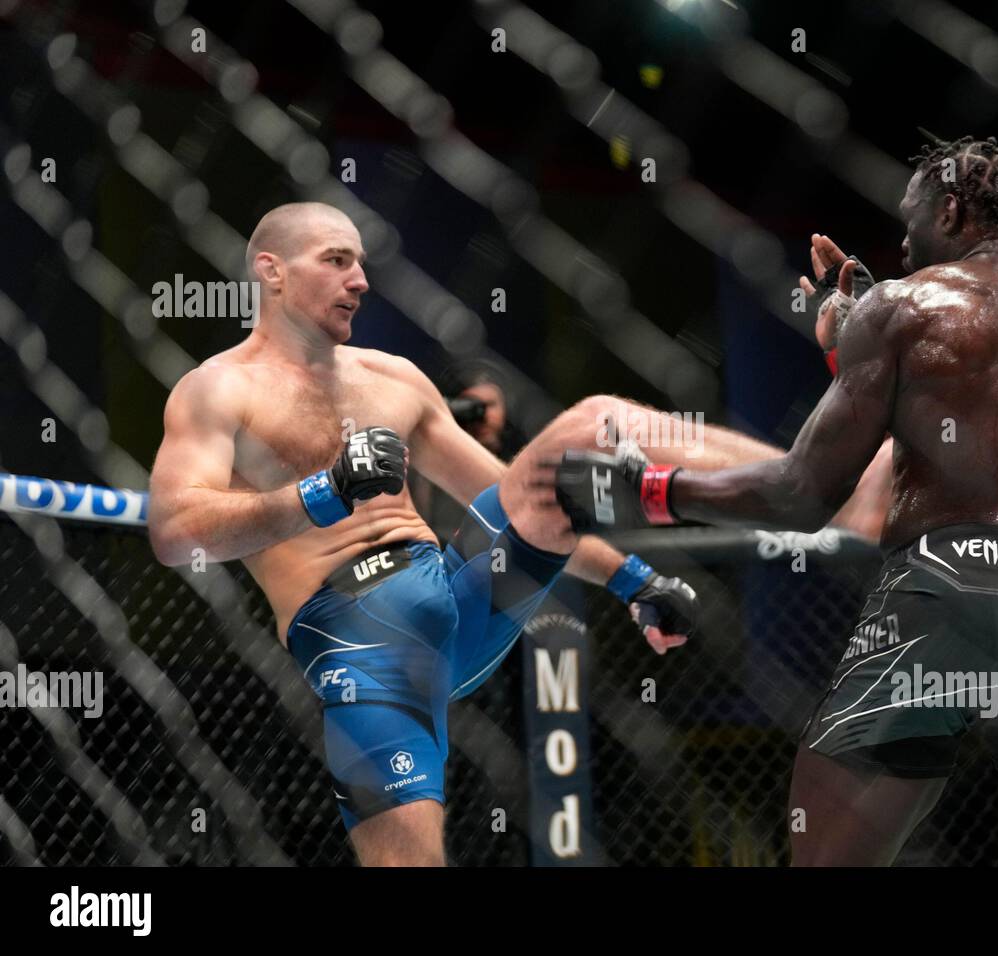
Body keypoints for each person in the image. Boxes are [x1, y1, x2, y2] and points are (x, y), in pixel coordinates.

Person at [553, 136, 998, 866]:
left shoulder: (904, 305)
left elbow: (801, 494)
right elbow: (985, 445)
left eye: (911, 218)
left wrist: (646, 489)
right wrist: (855, 338)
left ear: (950, 209)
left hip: (933, 599)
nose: (903, 239)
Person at [147, 201, 706, 866]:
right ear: (272, 271)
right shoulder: (215, 389)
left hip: (454, 593)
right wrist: (325, 492)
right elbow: (177, 533)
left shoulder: (395, 380)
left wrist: (636, 582)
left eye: (359, 262)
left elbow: (507, 493)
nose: (359, 280)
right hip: (357, 644)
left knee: (554, 471)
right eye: (336, 260)